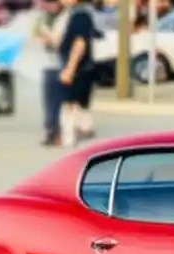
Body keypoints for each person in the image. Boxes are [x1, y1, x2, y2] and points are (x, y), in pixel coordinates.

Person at [57, 0, 96, 149]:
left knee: (70, 104)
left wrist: (70, 69)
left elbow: (80, 43)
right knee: (76, 104)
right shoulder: (74, 13)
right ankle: (77, 132)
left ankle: (70, 136)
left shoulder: (81, 15)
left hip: (79, 68)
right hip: (79, 67)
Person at [36, 0, 64, 146]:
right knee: (48, 101)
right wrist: (43, 39)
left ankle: (58, 132)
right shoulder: (43, 19)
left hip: (61, 65)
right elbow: (36, 37)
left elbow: (61, 40)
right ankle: (50, 130)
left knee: (59, 102)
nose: (49, 6)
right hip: (48, 65)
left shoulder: (64, 17)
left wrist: (51, 39)